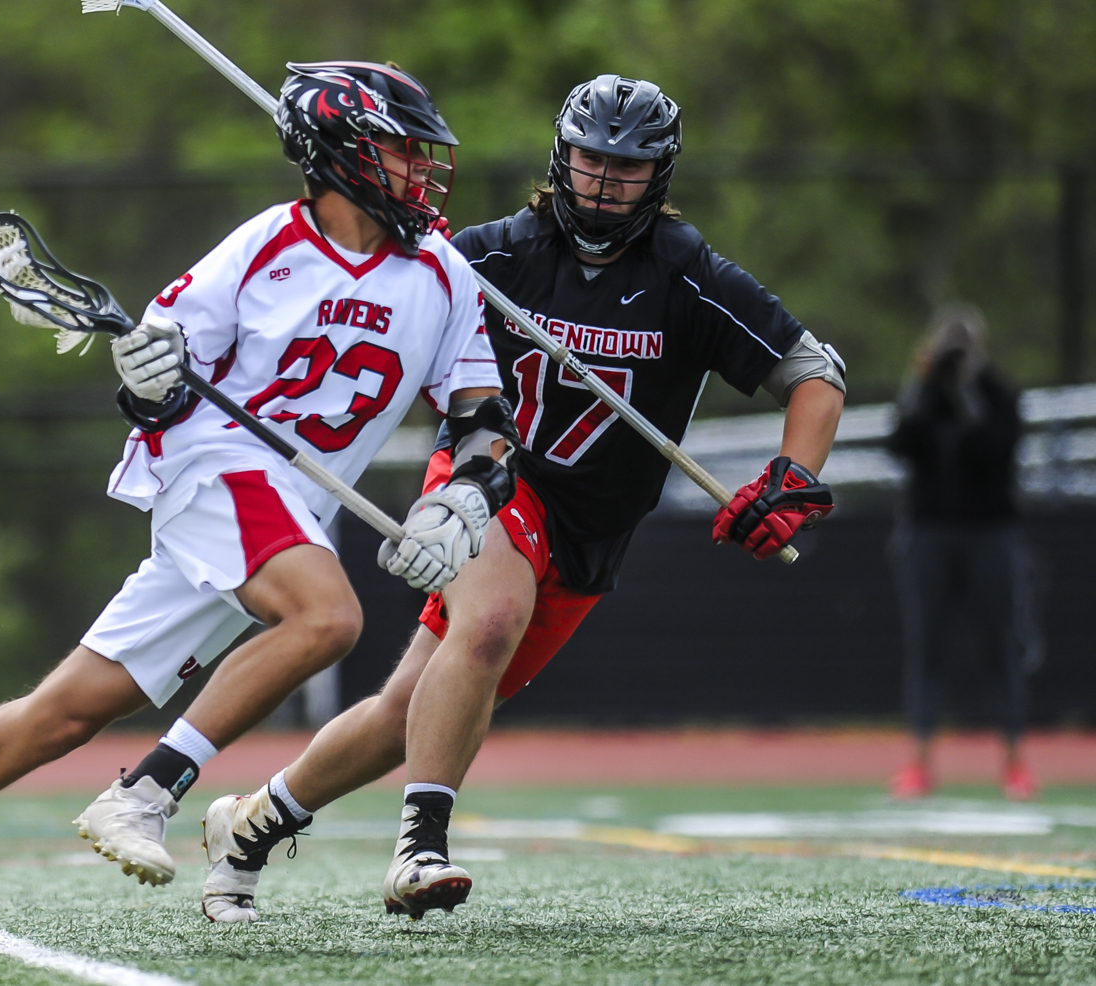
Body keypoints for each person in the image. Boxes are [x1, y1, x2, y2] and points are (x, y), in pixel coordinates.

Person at [0, 60, 515, 955]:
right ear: (339, 152)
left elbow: (482, 419)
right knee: (329, 618)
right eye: (400, 149)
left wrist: (466, 498)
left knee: (63, 712)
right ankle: (150, 789)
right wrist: (149, 380)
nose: (420, 168)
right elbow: (158, 380)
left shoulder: (443, 272)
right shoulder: (265, 246)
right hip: (215, 470)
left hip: (284, 515)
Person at [189, 75, 847, 924]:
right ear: (560, 157)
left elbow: (813, 373)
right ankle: (421, 847)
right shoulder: (493, 255)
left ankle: (249, 823)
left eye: (626, 168)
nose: (604, 181)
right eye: (590, 160)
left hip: (589, 533)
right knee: (492, 619)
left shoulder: (686, 276)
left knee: (408, 711)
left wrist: (792, 476)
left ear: (659, 175)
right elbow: (368, 298)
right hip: (491, 478)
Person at [885, 303, 1039, 801]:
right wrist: (921, 385)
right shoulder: (926, 394)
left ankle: (1013, 761)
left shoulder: (998, 392)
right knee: (925, 647)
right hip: (929, 532)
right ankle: (920, 762)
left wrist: (968, 392)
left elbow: (996, 451)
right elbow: (899, 444)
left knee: (1001, 644)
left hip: (990, 533)